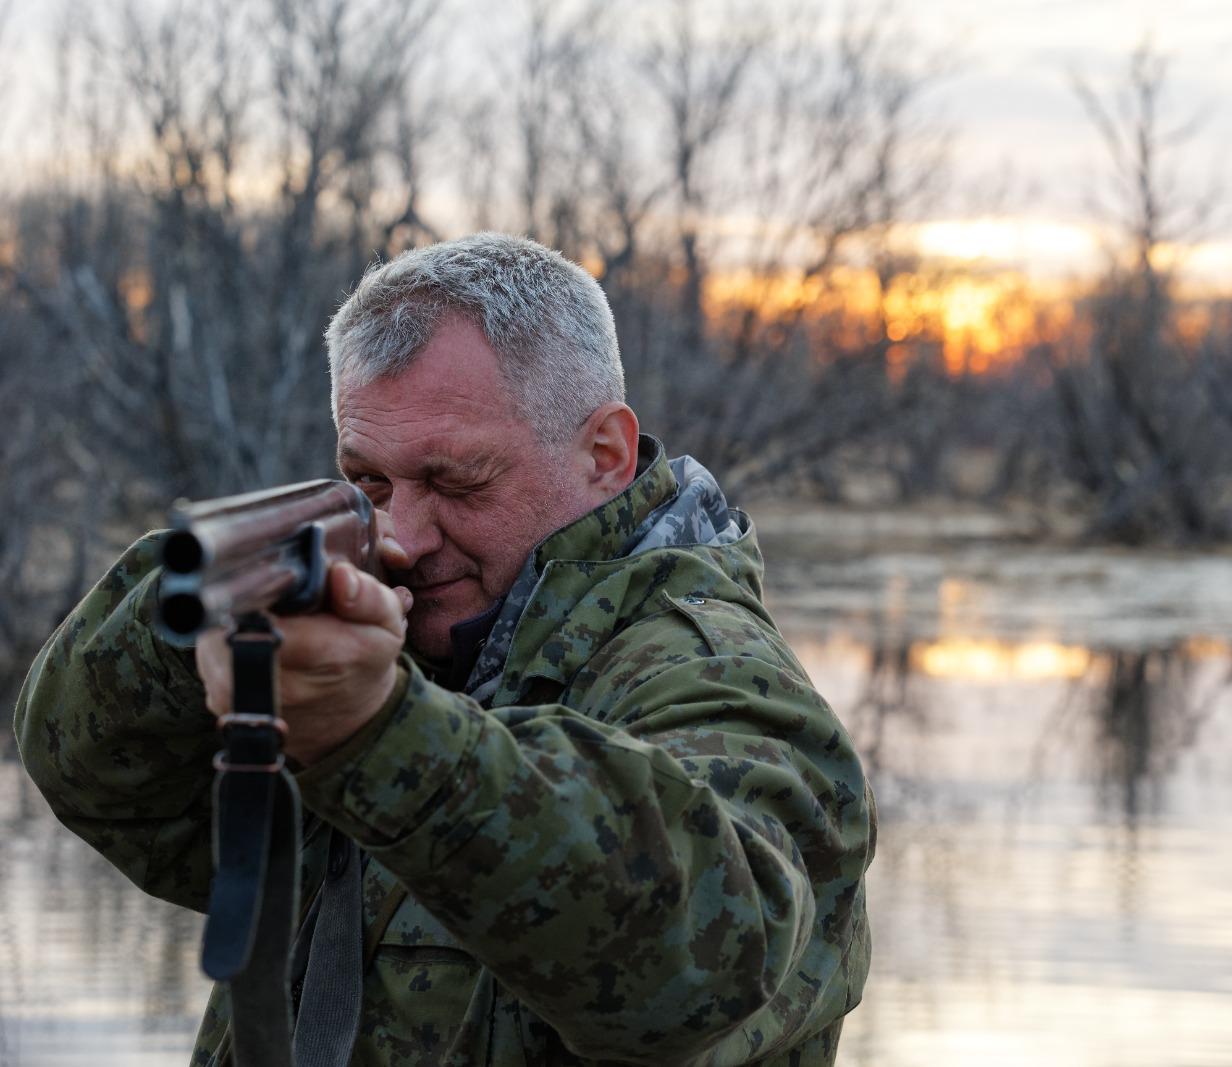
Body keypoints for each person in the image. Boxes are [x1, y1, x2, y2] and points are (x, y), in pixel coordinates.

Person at [14, 233, 875, 1066]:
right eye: (370, 482)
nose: (405, 534)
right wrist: (192, 617)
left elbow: (698, 966)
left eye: (457, 480)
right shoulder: (407, 628)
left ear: (604, 454)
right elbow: (99, 776)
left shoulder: (716, 674)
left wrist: (377, 735)